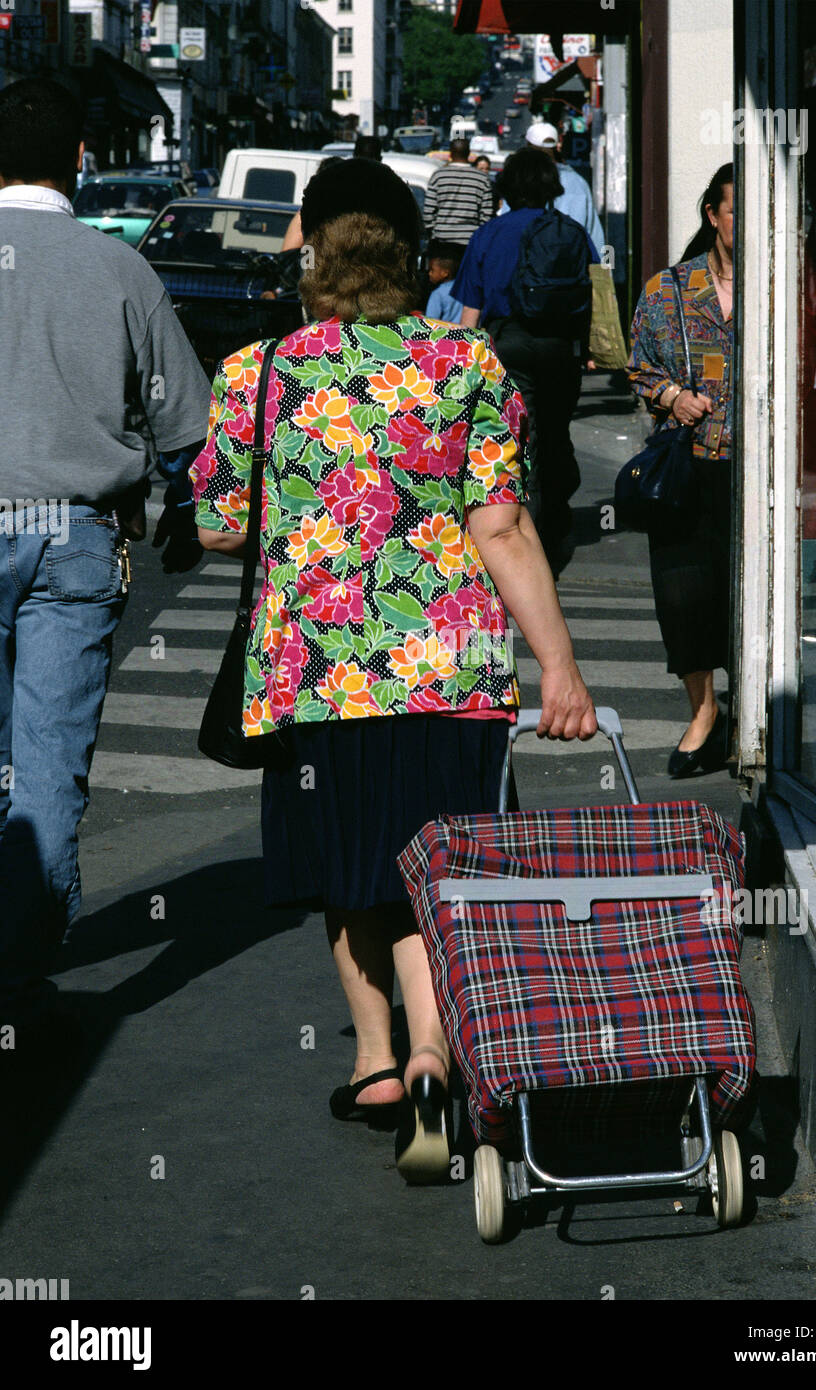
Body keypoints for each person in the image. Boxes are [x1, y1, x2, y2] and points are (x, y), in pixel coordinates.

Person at [191, 158, 596, 1182]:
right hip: (448, 670)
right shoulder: (466, 363)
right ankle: (432, 1051)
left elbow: (218, 525)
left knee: (349, 867)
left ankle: (377, 1060)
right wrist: (560, 669)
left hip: (312, 677)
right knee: (437, 869)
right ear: (413, 265)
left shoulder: (258, 374)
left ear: (316, 264)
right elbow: (499, 524)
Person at [0, 79, 210, 1047]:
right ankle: (18, 967)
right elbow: (187, 426)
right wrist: (181, 506)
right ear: (80, 159)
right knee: (48, 762)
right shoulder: (120, 273)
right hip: (78, 533)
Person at [626, 163, 734, 777]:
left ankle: (751, 708)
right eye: (731, 211)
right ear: (712, 217)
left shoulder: (777, 286)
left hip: (754, 469)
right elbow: (640, 364)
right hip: (687, 465)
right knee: (683, 593)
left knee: (743, 593)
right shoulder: (668, 289)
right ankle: (703, 711)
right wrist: (671, 397)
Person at [453, 145, 598, 570]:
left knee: (516, 441)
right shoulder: (570, 231)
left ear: (506, 189)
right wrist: (590, 351)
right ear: (550, 187)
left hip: (506, 347)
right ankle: (555, 519)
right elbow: (593, 296)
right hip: (559, 347)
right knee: (555, 432)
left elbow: (470, 314)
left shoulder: (488, 235)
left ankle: (521, 533)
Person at [524, 121, 604, 250]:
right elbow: (595, 237)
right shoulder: (578, 182)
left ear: (527, 147)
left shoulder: (521, 180)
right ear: (557, 147)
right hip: (570, 265)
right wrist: (605, 269)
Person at [422, 137, 493, 265]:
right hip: (470, 243)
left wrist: (434, 232)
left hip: (442, 242)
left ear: (450, 154)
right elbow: (486, 216)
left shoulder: (438, 176)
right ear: (468, 154)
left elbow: (428, 212)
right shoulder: (482, 179)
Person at [424, 240, 462, 323]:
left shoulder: (437, 294)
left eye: (432, 270)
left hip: (445, 333)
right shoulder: (462, 288)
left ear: (445, 273)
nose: (429, 273)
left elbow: (430, 321)